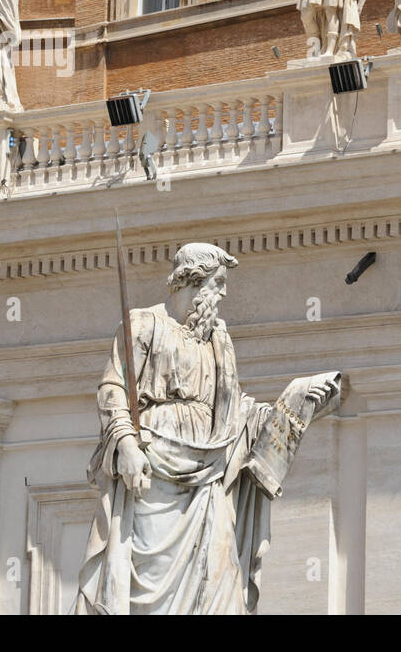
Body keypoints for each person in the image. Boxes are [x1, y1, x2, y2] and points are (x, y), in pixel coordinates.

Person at [75, 243, 341, 615]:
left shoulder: (219, 340)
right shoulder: (143, 324)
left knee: (220, 573)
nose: (224, 292)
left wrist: (296, 400)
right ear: (193, 280)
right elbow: (113, 388)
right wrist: (126, 444)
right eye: (218, 283)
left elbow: (236, 415)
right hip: (156, 472)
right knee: (148, 588)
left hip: (210, 470)